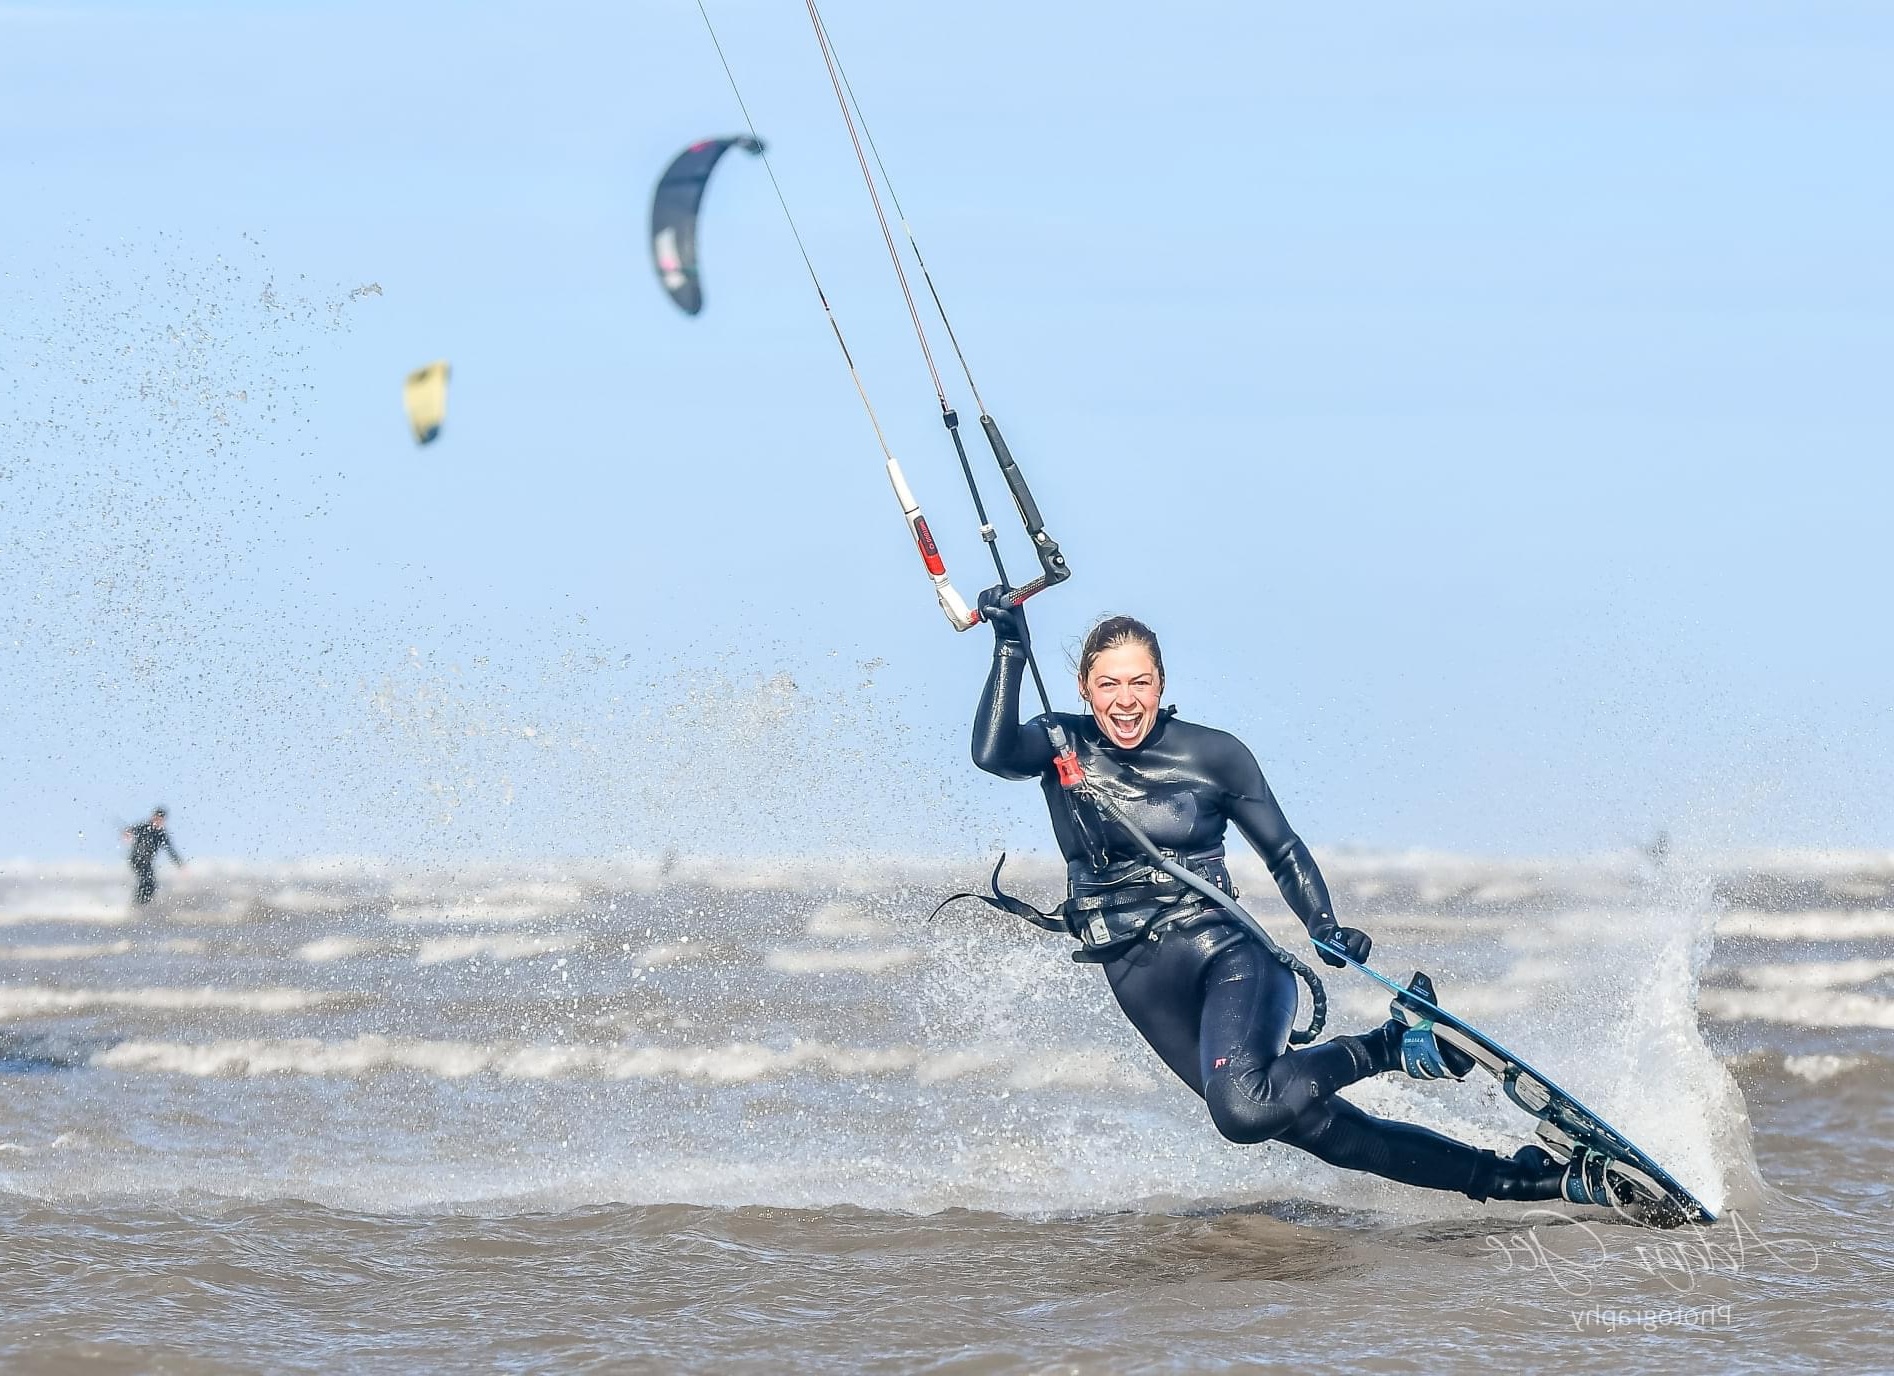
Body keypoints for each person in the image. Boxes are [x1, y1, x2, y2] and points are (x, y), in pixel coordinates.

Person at [969, 600, 1569, 1204]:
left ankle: (1391, 1044)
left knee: (1244, 1112)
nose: (1125, 700)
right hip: (1134, 972)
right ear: (1084, 688)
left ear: (1161, 684)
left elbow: (1282, 851)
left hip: (1225, 954)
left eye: (1139, 682)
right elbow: (992, 753)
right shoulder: (1059, 745)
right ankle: (1514, 1177)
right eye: (1109, 684)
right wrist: (1010, 649)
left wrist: (1323, 922)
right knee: (1309, 1125)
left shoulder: (1214, 756)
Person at [122, 807, 184, 906]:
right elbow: (129, 831)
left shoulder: (161, 834)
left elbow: (170, 850)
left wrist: (180, 865)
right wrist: (127, 834)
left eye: (160, 820)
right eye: (156, 819)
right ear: (153, 817)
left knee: (152, 884)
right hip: (136, 859)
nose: (158, 821)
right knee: (146, 880)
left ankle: (141, 904)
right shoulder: (144, 827)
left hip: (147, 862)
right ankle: (137, 904)